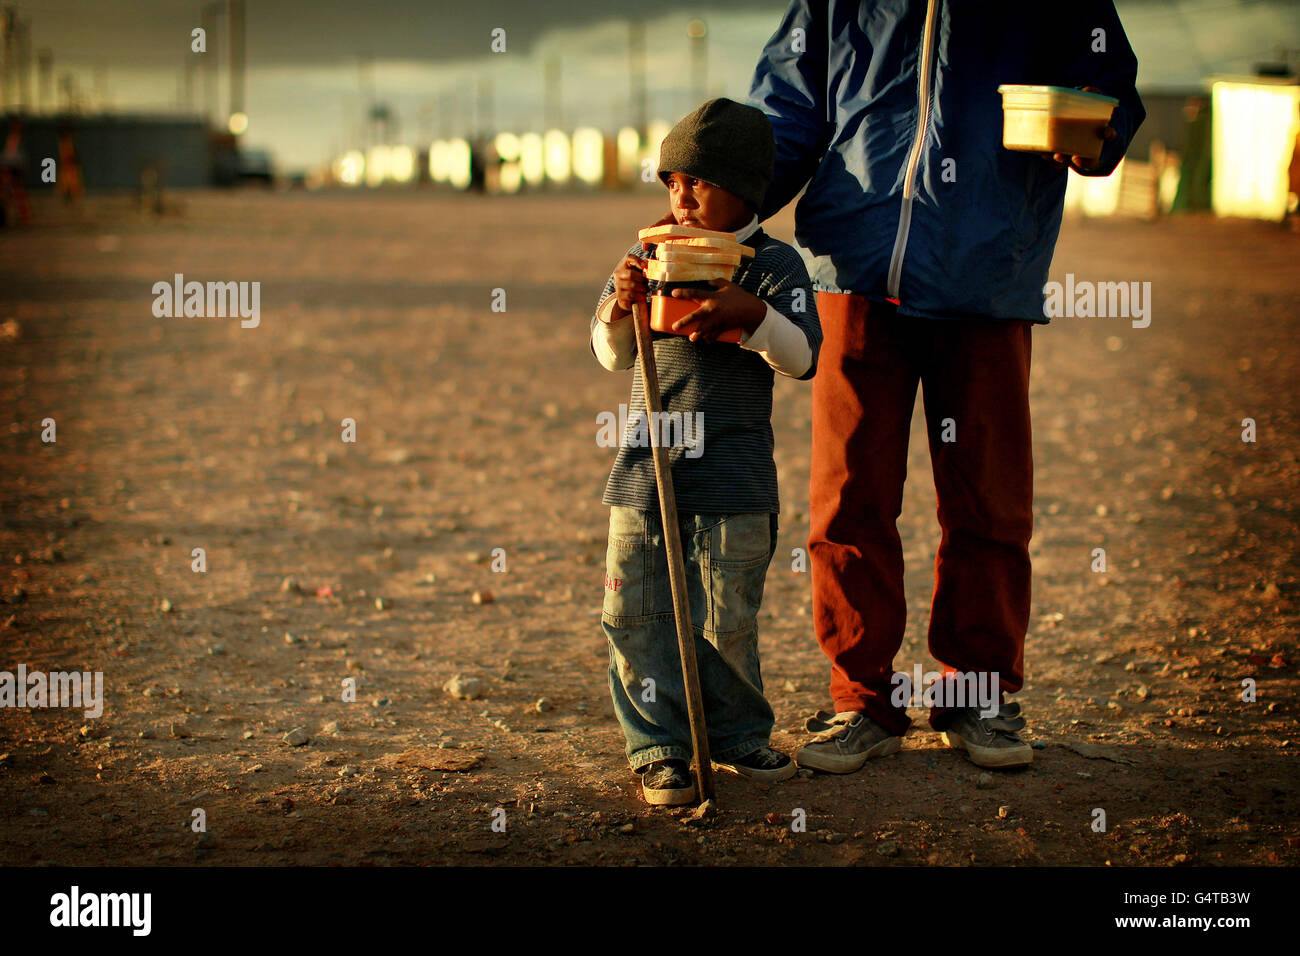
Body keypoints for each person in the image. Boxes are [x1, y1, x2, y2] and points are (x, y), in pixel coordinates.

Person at [747, 2, 1145, 770]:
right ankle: (861, 699)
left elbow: (1109, 87)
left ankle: (978, 696)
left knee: (989, 501)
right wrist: (725, 211)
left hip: (988, 269)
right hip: (853, 271)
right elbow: (786, 111)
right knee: (848, 498)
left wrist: (1098, 133)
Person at [591, 98, 822, 805]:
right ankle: (658, 745)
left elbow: (805, 356)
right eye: (670, 182)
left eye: (697, 181)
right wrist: (620, 305)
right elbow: (609, 354)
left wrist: (750, 316)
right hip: (646, 471)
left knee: (727, 617)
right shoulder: (647, 254)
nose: (680, 198)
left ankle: (734, 733)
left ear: (745, 188)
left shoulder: (773, 265)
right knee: (636, 610)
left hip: (735, 476)